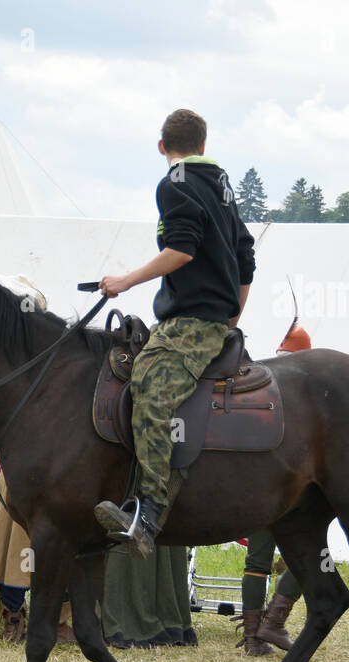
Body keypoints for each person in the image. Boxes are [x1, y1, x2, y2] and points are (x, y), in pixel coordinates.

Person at [95, 108, 255, 558]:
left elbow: (181, 250)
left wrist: (124, 281)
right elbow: (246, 257)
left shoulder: (174, 183)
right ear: (204, 144)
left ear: (161, 147)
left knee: (148, 387)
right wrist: (233, 315)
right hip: (214, 318)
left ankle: (148, 514)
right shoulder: (221, 185)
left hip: (190, 322)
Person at [0, 410, 77, 644]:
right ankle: (34, 621)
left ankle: (28, 620)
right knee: (24, 552)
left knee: (30, 553)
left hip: (40, 475)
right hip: (35, 476)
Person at [235, 322, 313, 656]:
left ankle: (254, 637)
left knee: (256, 561)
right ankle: (274, 623)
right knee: (307, 557)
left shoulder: (256, 380)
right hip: (290, 486)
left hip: (255, 483)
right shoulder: (304, 387)